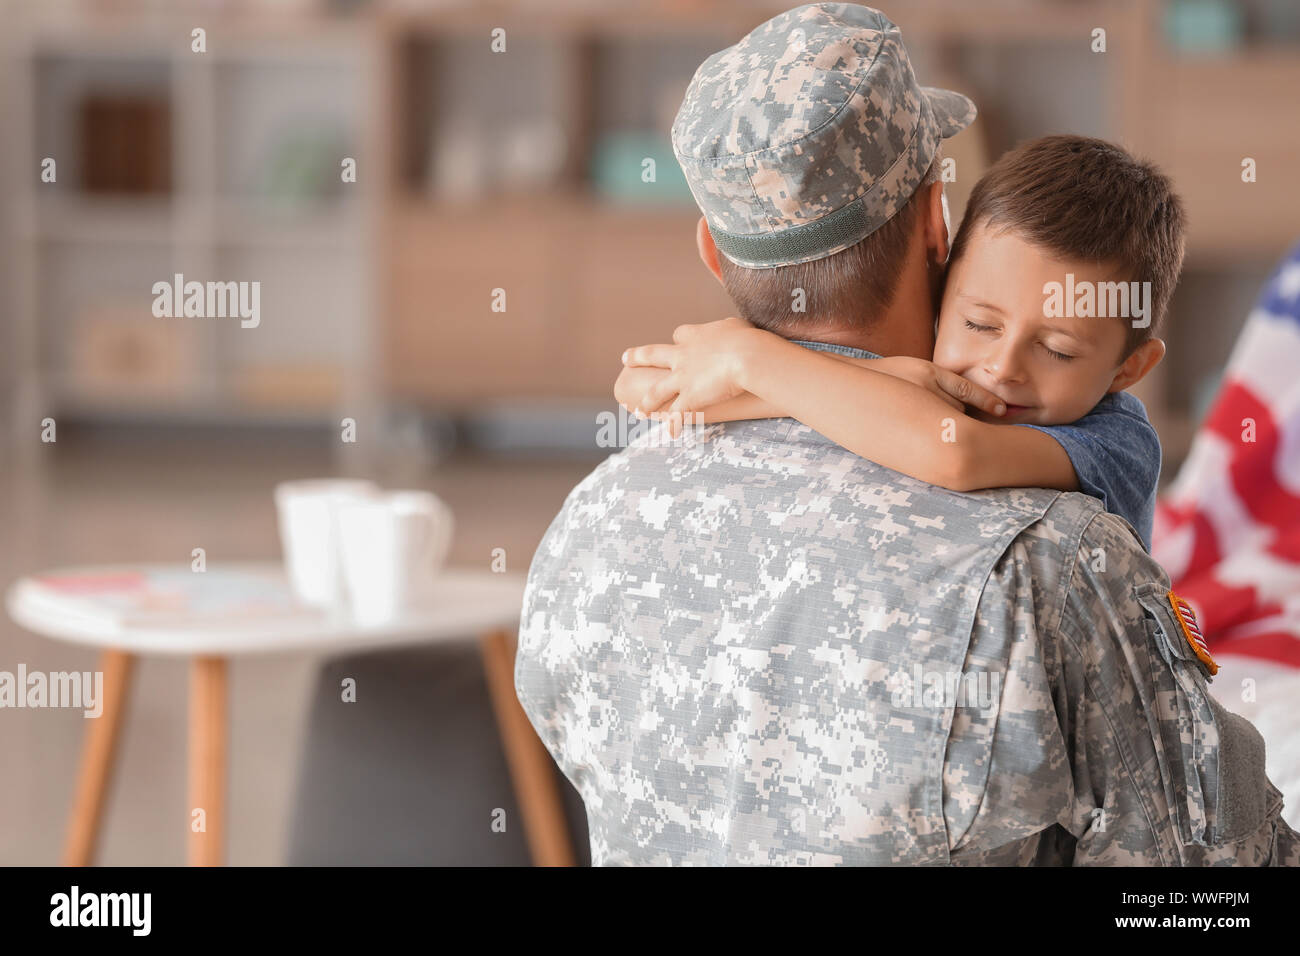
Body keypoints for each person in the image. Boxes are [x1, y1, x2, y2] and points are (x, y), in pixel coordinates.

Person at [514, 2, 1299, 865]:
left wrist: (747, 358)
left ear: (712, 251)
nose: (1004, 372)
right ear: (937, 225)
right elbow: (1214, 880)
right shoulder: (1054, 559)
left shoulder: (592, 519)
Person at [616, 135, 1173, 550]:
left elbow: (955, 453)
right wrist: (882, 379)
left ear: (1129, 367)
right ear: (941, 284)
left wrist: (749, 359)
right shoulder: (924, 382)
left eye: (1058, 350)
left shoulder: (1118, 442)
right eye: (979, 324)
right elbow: (645, 389)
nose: (1002, 368)